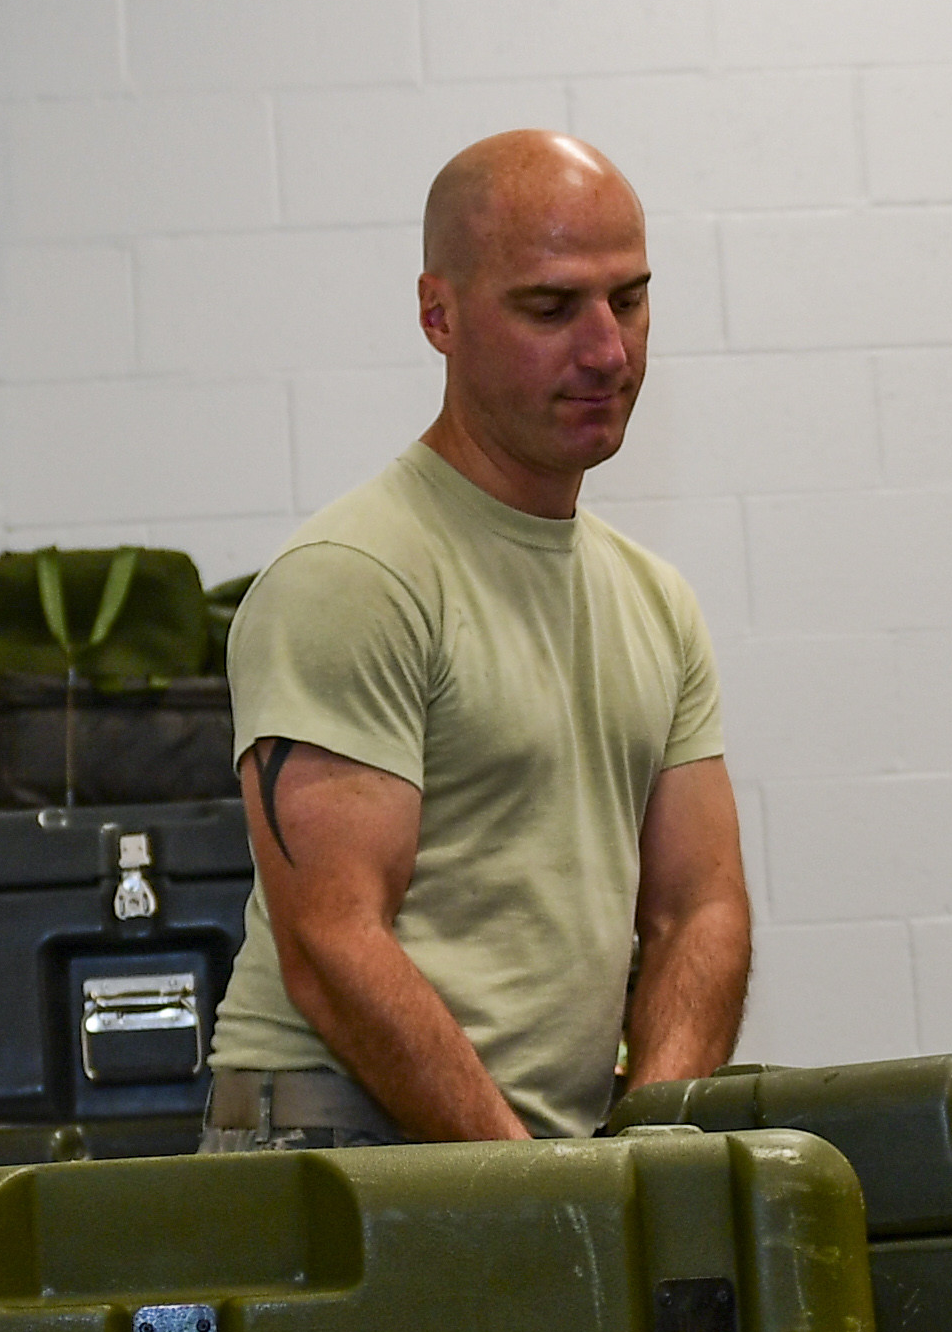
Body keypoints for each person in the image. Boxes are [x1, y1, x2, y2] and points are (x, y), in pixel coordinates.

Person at [201, 129, 750, 1150]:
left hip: (538, 1149)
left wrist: (651, 1150)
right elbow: (330, 942)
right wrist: (537, 1187)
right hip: (336, 1133)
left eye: (629, 299)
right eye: (550, 308)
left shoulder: (656, 601)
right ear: (438, 315)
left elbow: (699, 909)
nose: (608, 350)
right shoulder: (354, 575)